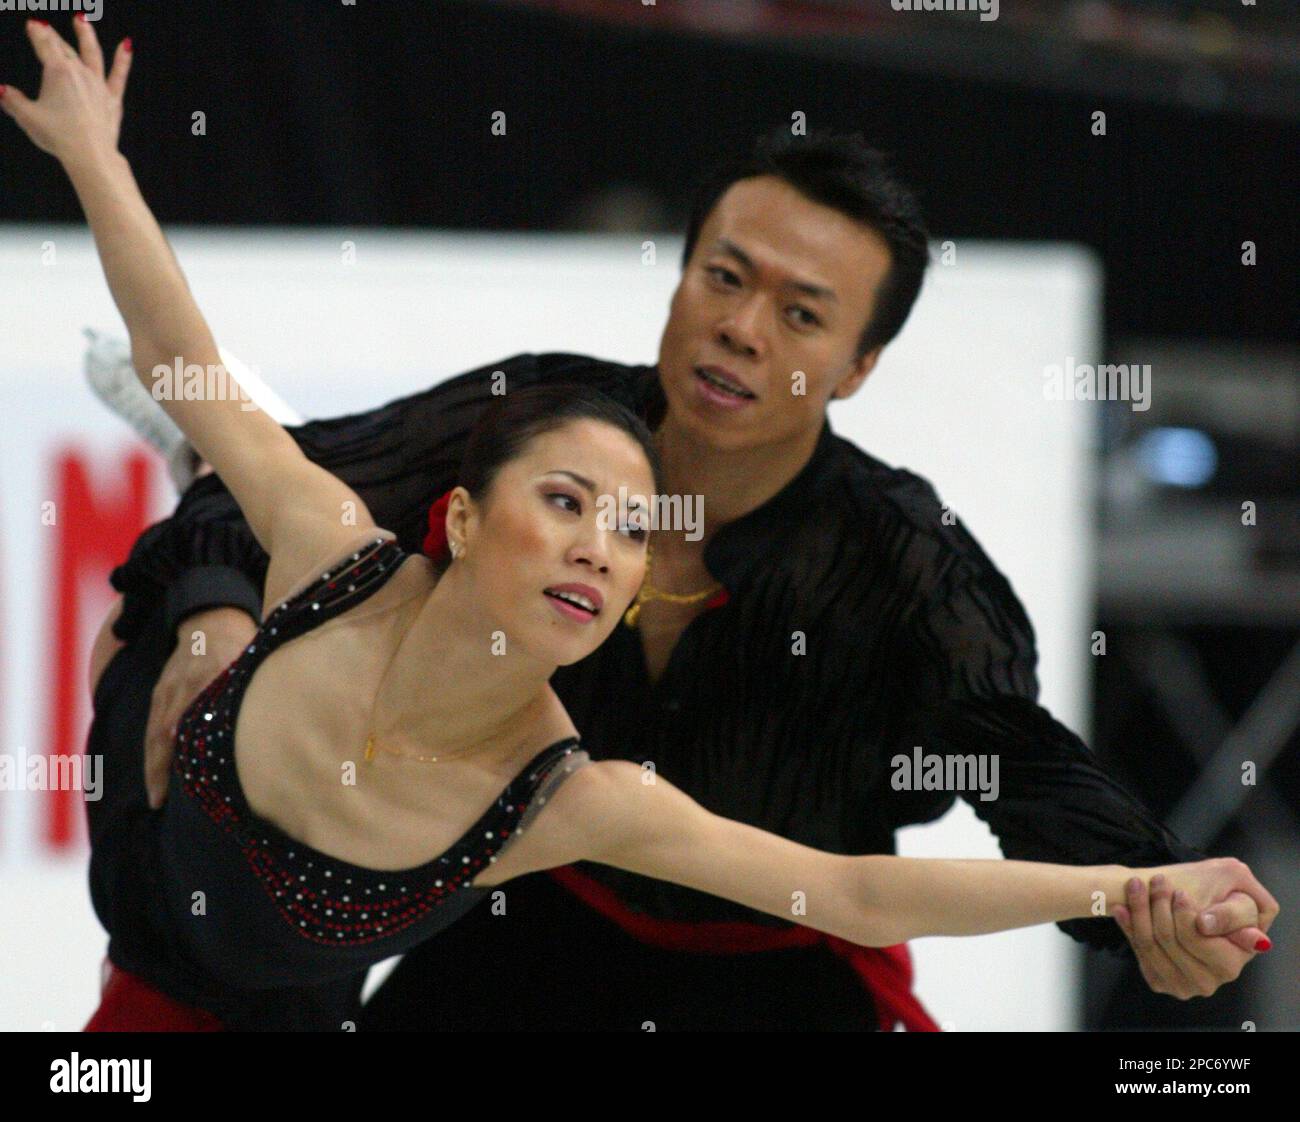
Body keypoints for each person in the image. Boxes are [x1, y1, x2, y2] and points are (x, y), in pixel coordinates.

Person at [5, 19, 1276, 1032]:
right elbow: (215, 402)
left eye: (798, 312)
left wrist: (1137, 894)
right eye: (724, 276)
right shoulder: (510, 434)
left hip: (761, 959)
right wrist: (208, 618)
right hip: (464, 921)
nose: (738, 326)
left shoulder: (895, 572)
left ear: (857, 365)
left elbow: (905, 856)